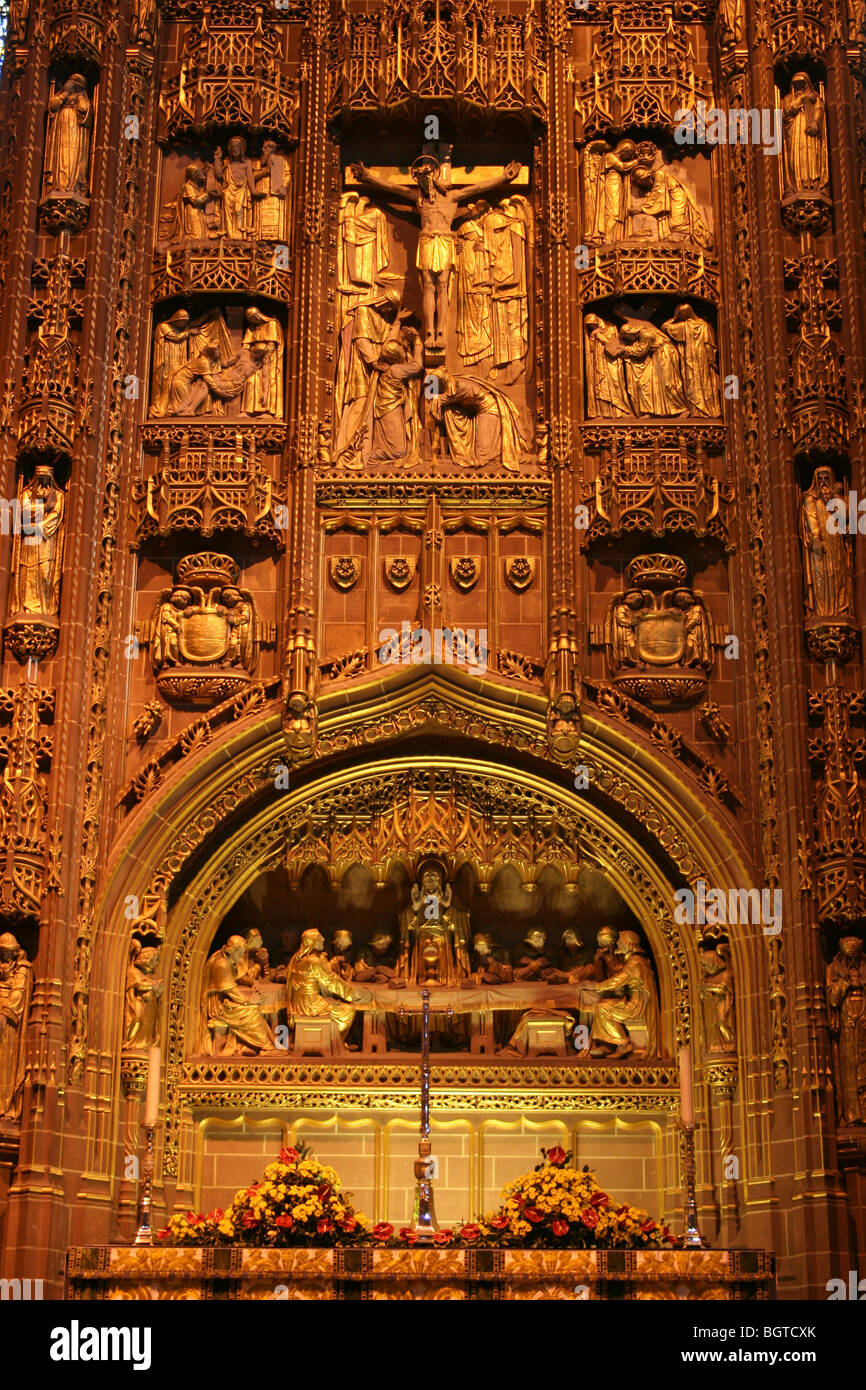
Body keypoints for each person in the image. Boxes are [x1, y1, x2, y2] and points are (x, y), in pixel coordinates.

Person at [350, 153, 521, 347]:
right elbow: (394, 189)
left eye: (425, 175)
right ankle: (430, 331)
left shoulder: (452, 197)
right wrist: (368, 177)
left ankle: (441, 331)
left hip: (445, 240)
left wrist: (504, 178)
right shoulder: (419, 199)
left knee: (442, 285)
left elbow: (479, 188)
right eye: (419, 176)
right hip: (426, 241)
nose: (421, 180)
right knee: (428, 287)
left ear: (434, 176)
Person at [586, 930, 659, 1058]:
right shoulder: (632, 960)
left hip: (636, 1006)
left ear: (627, 943)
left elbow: (617, 980)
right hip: (632, 1000)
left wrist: (596, 987)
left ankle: (623, 1043)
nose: (618, 943)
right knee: (602, 1004)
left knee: (601, 1008)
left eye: (620, 941)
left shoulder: (635, 962)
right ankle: (609, 1045)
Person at [200, 935, 276, 1055]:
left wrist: (253, 983)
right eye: (240, 953)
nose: (241, 957)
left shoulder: (228, 960)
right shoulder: (222, 964)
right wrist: (249, 1000)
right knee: (252, 1012)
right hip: (218, 1007)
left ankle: (250, 1045)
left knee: (254, 1009)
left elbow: (235, 979)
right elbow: (231, 991)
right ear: (233, 950)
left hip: (225, 1001)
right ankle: (266, 1047)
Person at [286, 929, 358, 1044]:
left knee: (334, 1002)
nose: (323, 939)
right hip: (310, 1005)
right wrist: (351, 993)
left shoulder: (296, 958)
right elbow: (331, 981)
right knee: (348, 1010)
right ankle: (332, 1043)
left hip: (299, 1003)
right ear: (312, 942)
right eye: (319, 938)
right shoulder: (313, 961)